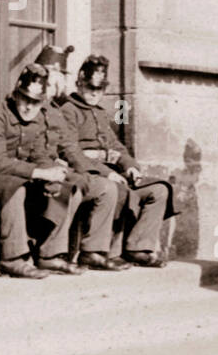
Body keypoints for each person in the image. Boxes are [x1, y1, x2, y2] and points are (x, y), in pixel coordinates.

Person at [55, 54, 179, 267]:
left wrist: (130, 166)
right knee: (114, 188)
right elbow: (71, 152)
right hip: (88, 173)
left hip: (113, 172)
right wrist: (107, 172)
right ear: (79, 84)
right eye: (89, 88)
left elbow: (116, 146)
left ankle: (138, 247)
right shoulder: (68, 110)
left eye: (99, 89)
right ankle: (99, 251)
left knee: (159, 190)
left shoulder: (100, 113)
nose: (94, 94)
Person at [0, 64, 77, 279]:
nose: (28, 107)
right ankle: (12, 258)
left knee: (68, 187)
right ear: (15, 95)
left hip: (22, 179)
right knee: (16, 187)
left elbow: (39, 154)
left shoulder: (39, 119)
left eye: (35, 102)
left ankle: (49, 254)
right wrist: (40, 173)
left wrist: (52, 171)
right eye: (25, 99)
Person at [34, 45, 128, 272]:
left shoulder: (57, 108)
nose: (57, 84)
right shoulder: (34, 106)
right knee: (72, 188)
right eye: (51, 78)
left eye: (60, 78)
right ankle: (51, 253)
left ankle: (94, 251)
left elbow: (69, 147)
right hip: (34, 171)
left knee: (107, 188)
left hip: (63, 167)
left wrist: (123, 165)